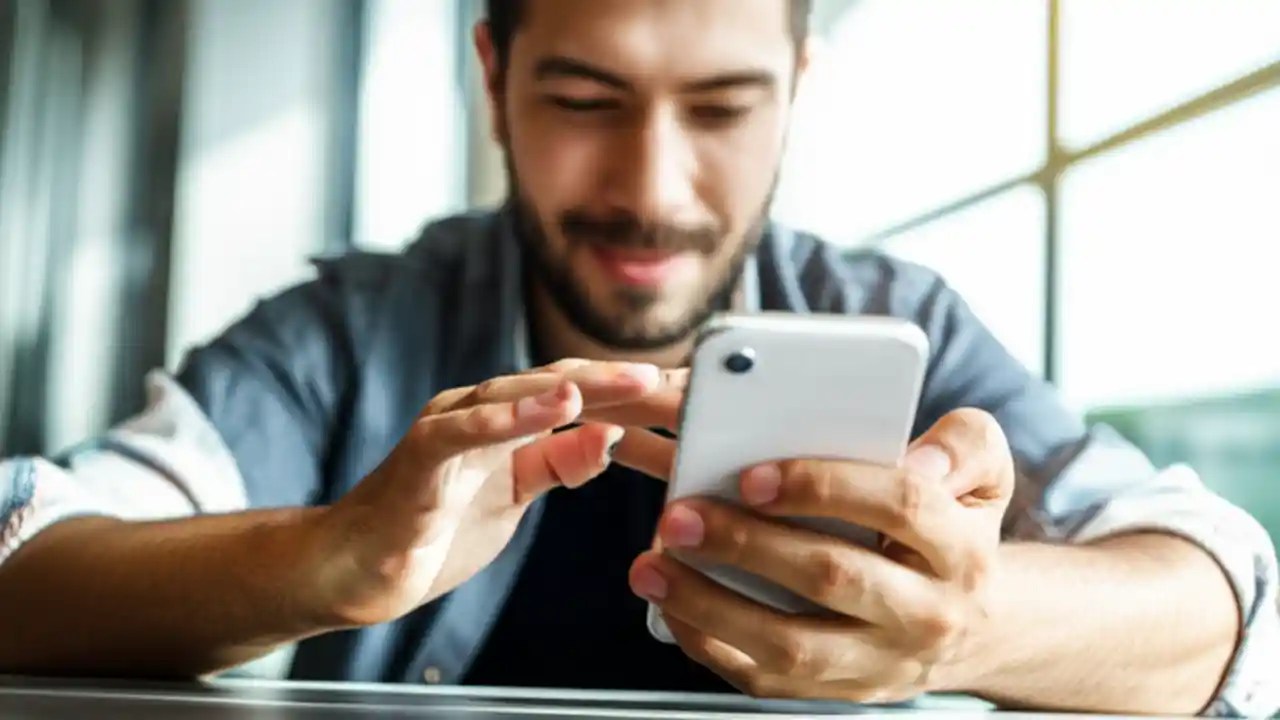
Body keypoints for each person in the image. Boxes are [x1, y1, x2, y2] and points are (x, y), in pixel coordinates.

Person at [0, 0, 1275, 715]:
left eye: (720, 108)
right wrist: (336, 555)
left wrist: (970, 624)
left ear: (794, 89)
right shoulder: (353, 328)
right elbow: (28, 564)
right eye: (582, 103)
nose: (648, 191)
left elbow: (1228, 616)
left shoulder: (906, 321)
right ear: (492, 78)